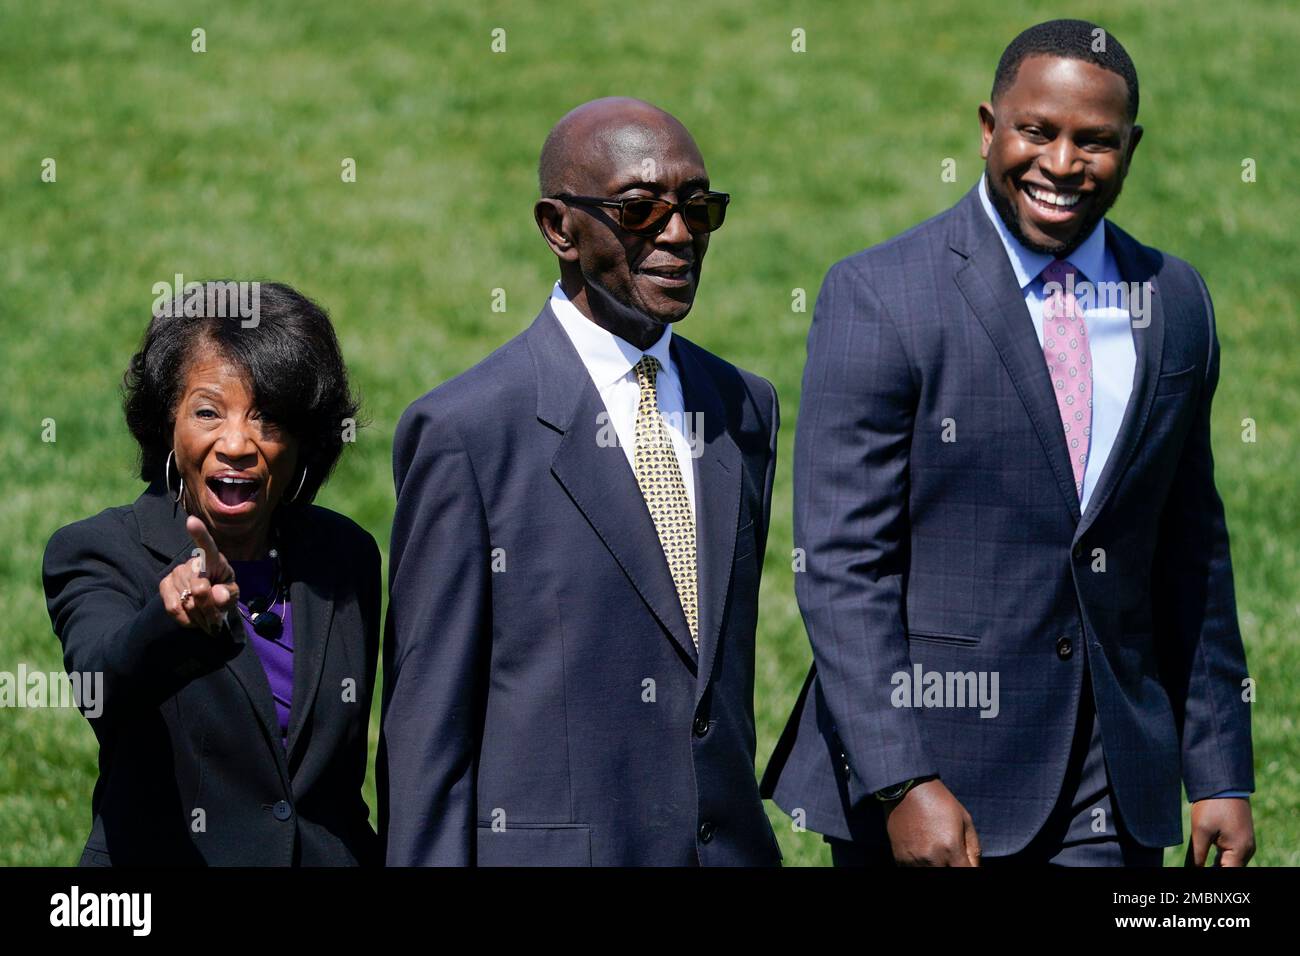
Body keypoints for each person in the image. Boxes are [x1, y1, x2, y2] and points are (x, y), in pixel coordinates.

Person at [762, 20, 1255, 866]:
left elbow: (1191, 548)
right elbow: (843, 565)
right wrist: (901, 780)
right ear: (989, 129)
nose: (1062, 163)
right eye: (1037, 131)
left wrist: (1219, 767)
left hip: (1112, 783)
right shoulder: (880, 295)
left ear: (1131, 148)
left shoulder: (1175, 301)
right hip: (938, 776)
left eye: (1095, 141)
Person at [380, 97, 781, 866]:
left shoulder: (744, 407)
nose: (678, 234)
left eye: (699, 208)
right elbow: (428, 730)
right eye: (640, 209)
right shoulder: (468, 431)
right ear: (558, 228)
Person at [43, 281, 380, 866]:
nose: (237, 443)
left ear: (304, 439)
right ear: (166, 423)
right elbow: (101, 684)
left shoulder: (345, 556)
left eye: (267, 418)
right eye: (207, 412)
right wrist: (168, 621)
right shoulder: (99, 550)